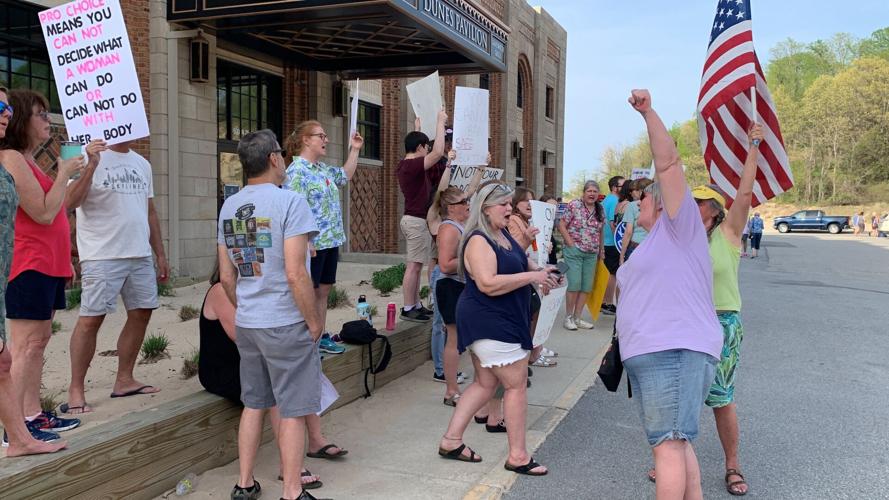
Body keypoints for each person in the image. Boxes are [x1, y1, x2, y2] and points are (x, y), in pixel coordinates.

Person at [618, 89, 722, 500]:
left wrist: (648, 114)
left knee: (669, 445)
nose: (636, 200)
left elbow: (668, 163)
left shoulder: (681, 227)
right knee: (675, 442)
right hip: (655, 352)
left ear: (661, 204)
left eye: (643, 196)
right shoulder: (651, 242)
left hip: (674, 349)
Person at [217, 129, 324, 500]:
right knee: (292, 408)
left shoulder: (229, 206)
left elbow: (226, 276)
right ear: (274, 158)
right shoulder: (290, 202)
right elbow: (296, 273)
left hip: (249, 322)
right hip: (284, 320)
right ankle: (292, 491)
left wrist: (247, 305)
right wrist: (314, 321)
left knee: (254, 404)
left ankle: (244, 483)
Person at [437, 183, 560, 476]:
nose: (509, 208)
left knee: (485, 384)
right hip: (490, 320)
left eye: (509, 203)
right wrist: (532, 277)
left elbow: (521, 261)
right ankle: (518, 456)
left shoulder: (501, 234)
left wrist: (542, 273)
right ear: (485, 208)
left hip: (499, 318)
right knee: (515, 385)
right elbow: (488, 283)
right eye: (502, 204)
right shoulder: (478, 240)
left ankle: (451, 441)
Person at [0, 89, 92, 443]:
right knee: (24, 345)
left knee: (38, 341)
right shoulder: (11, 157)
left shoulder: (28, 158)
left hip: (48, 262)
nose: (47, 121)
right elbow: (41, 211)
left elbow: (60, 206)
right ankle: (15, 428)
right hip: (29, 263)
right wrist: (63, 172)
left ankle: (32, 413)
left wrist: (64, 257)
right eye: (40, 114)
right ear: (23, 119)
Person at [63, 140, 170, 415]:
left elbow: (150, 211)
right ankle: (76, 388)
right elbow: (69, 203)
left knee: (142, 312)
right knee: (91, 319)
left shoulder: (142, 164)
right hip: (101, 254)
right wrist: (91, 166)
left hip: (139, 253)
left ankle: (124, 379)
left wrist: (160, 253)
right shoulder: (85, 156)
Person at [198, 263, 328, 492]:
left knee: (288, 379)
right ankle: (288, 469)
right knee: (278, 393)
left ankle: (311, 445)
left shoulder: (244, 290)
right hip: (223, 370)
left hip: (246, 360)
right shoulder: (221, 291)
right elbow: (240, 337)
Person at [283, 120, 363, 355]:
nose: (326, 140)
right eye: (321, 136)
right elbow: (294, 210)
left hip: (331, 240)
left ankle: (320, 336)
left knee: (323, 291)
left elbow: (344, 176)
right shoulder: (296, 172)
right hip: (312, 244)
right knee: (307, 292)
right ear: (306, 140)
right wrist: (306, 240)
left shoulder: (322, 169)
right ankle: (306, 340)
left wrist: (355, 149)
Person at [397, 110, 448, 322]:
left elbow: (426, 150)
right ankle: (408, 307)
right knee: (414, 266)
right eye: (426, 147)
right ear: (419, 148)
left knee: (417, 265)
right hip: (415, 221)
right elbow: (437, 152)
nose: (428, 151)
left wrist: (417, 129)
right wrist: (440, 122)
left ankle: (416, 304)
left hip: (417, 220)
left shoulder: (409, 165)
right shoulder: (410, 165)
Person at [434, 187, 471, 406]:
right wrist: (472, 259)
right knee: (454, 339)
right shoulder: (449, 228)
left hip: (461, 285)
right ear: (451, 208)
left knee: (462, 339)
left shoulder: (461, 226)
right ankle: (451, 391)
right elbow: (445, 265)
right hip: (450, 286)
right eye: (463, 201)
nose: (468, 204)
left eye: (467, 200)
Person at [557, 181, 605, 331]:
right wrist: (570, 243)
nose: (592, 194)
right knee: (575, 284)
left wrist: (601, 250)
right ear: (583, 193)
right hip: (574, 251)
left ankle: (577, 317)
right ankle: (568, 317)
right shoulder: (574, 205)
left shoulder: (600, 209)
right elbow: (561, 225)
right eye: (589, 191)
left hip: (592, 253)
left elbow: (601, 231)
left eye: (595, 191)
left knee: (586, 286)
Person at [601, 175, 625, 315]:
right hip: (611, 243)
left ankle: (606, 302)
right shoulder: (614, 200)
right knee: (612, 274)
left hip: (606, 242)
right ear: (615, 187)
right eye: (623, 185)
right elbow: (612, 223)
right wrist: (620, 240)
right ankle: (608, 303)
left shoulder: (607, 200)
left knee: (610, 273)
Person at [618, 179, 652, 266]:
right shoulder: (659, 205)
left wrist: (621, 256)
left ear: (641, 191)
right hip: (652, 247)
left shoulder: (632, 205)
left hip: (635, 247)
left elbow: (628, 232)